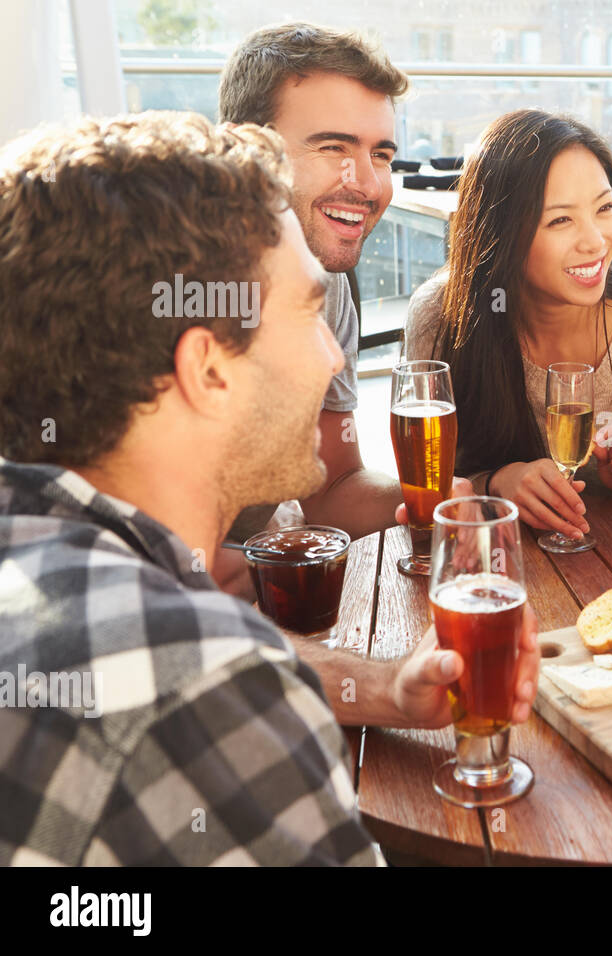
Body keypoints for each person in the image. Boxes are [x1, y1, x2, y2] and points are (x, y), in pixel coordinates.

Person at [0, 113, 539, 864]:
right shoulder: (209, 692)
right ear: (209, 370)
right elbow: (197, 678)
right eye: (312, 312)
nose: (332, 360)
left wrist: (385, 689)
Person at [404, 110, 612, 537]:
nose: (595, 241)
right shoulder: (443, 314)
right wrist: (496, 484)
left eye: (604, 208)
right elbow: (423, 482)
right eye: (561, 219)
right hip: (488, 572)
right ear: (501, 232)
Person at [217, 22, 408, 545]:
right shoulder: (158, 286)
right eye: (332, 147)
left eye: (382, 155)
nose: (367, 184)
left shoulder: (325, 283)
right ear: (245, 148)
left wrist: (442, 498)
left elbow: (333, 489)